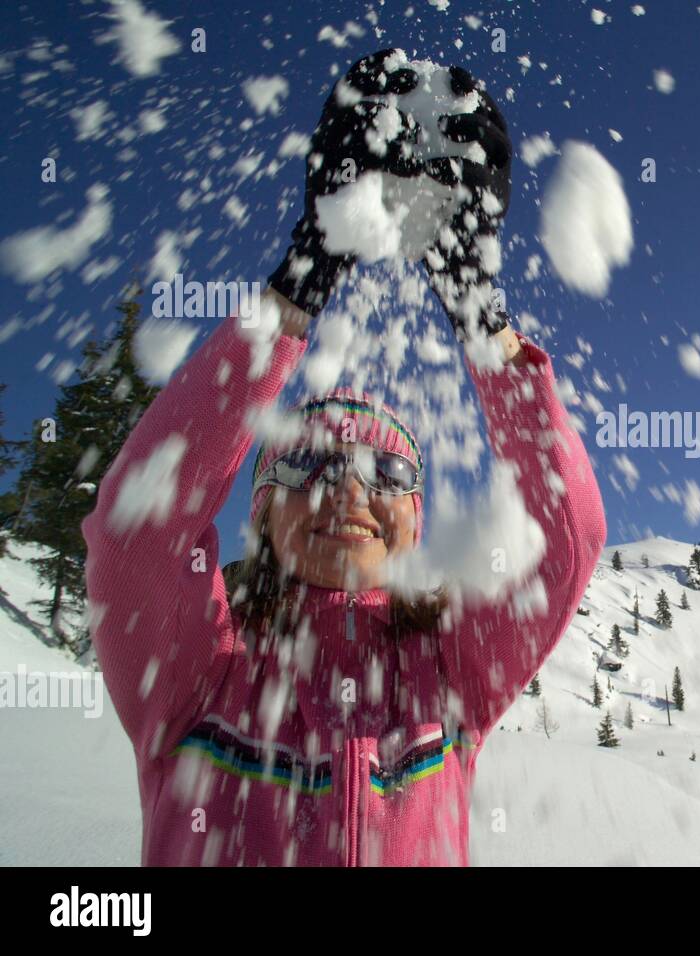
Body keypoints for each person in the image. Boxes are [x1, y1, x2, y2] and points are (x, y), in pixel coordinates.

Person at [80, 52, 607, 866]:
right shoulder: (200, 675)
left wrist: (479, 311)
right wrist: (302, 279)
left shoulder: (448, 674)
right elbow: (134, 531)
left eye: (390, 474)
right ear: (258, 509)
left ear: (416, 517)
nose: (350, 488)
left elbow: (563, 541)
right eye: (310, 466)